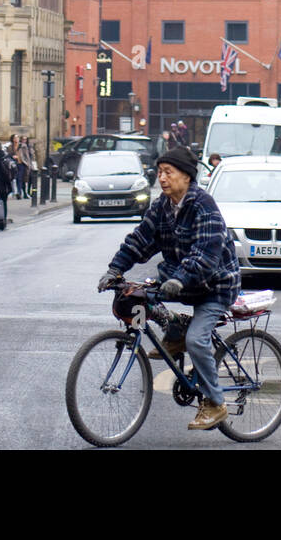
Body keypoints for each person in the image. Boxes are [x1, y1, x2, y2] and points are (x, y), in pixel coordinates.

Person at [97, 144, 240, 432]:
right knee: (138, 298)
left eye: (168, 172)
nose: (162, 178)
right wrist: (115, 269)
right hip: (180, 280)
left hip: (215, 284)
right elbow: (140, 239)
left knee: (199, 340)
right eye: (159, 172)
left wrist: (182, 278)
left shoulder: (204, 206)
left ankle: (215, 403)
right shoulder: (161, 206)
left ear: (186, 176)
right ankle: (176, 331)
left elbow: (206, 254)